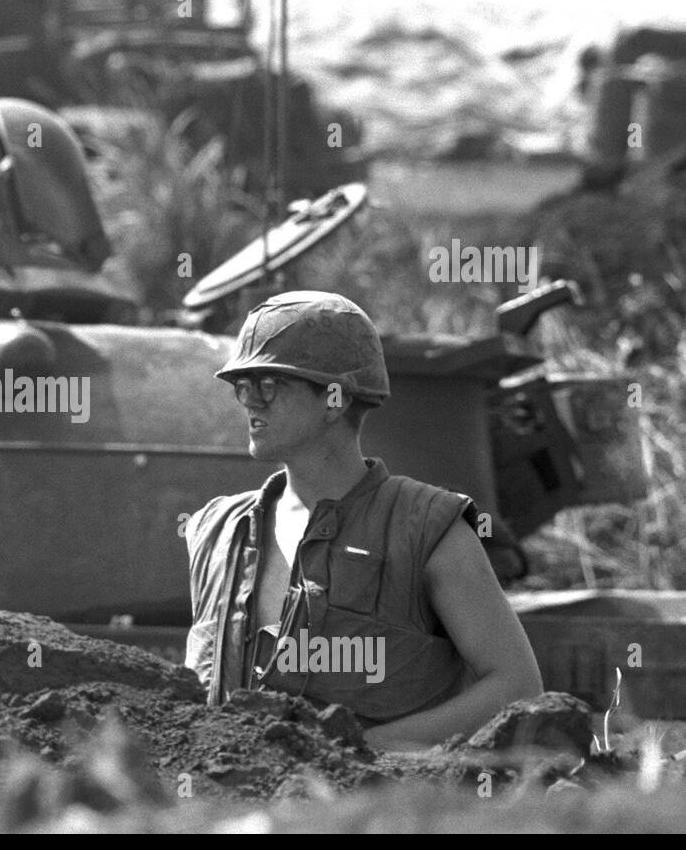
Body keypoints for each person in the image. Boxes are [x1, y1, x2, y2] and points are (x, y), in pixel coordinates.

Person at [184, 290, 542, 750]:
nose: (250, 401)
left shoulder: (428, 529)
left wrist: (361, 752)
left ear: (334, 398)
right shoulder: (217, 532)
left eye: (268, 384)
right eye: (243, 385)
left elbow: (516, 686)